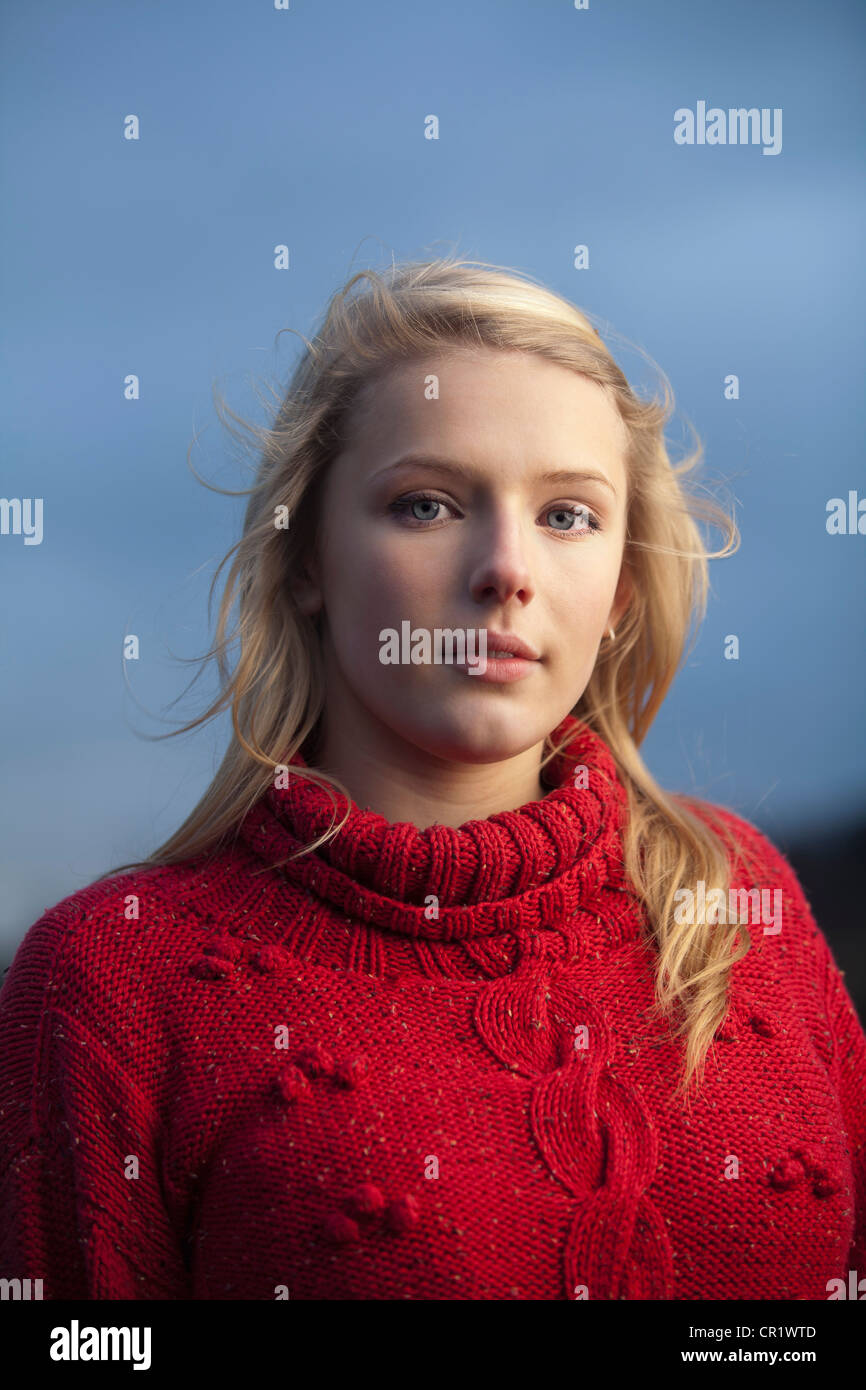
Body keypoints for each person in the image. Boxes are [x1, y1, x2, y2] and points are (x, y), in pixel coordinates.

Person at [1, 258, 863, 1301]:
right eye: (425, 504)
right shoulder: (115, 978)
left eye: (567, 514)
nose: (506, 567)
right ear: (305, 556)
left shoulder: (733, 896)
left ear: (623, 584)